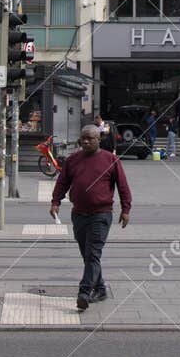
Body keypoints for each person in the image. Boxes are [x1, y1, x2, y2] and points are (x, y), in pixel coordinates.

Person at [50, 124, 132, 311]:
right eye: (83, 138)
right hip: (78, 214)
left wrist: (126, 209)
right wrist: (55, 202)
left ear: (99, 139)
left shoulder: (110, 159)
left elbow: (123, 186)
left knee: (93, 254)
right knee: (88, 256)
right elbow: (62, 182)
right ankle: (100, 288)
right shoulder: (73, 160)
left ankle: (84, 293)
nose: (86, 141)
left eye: (90, 138)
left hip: (101, 215)